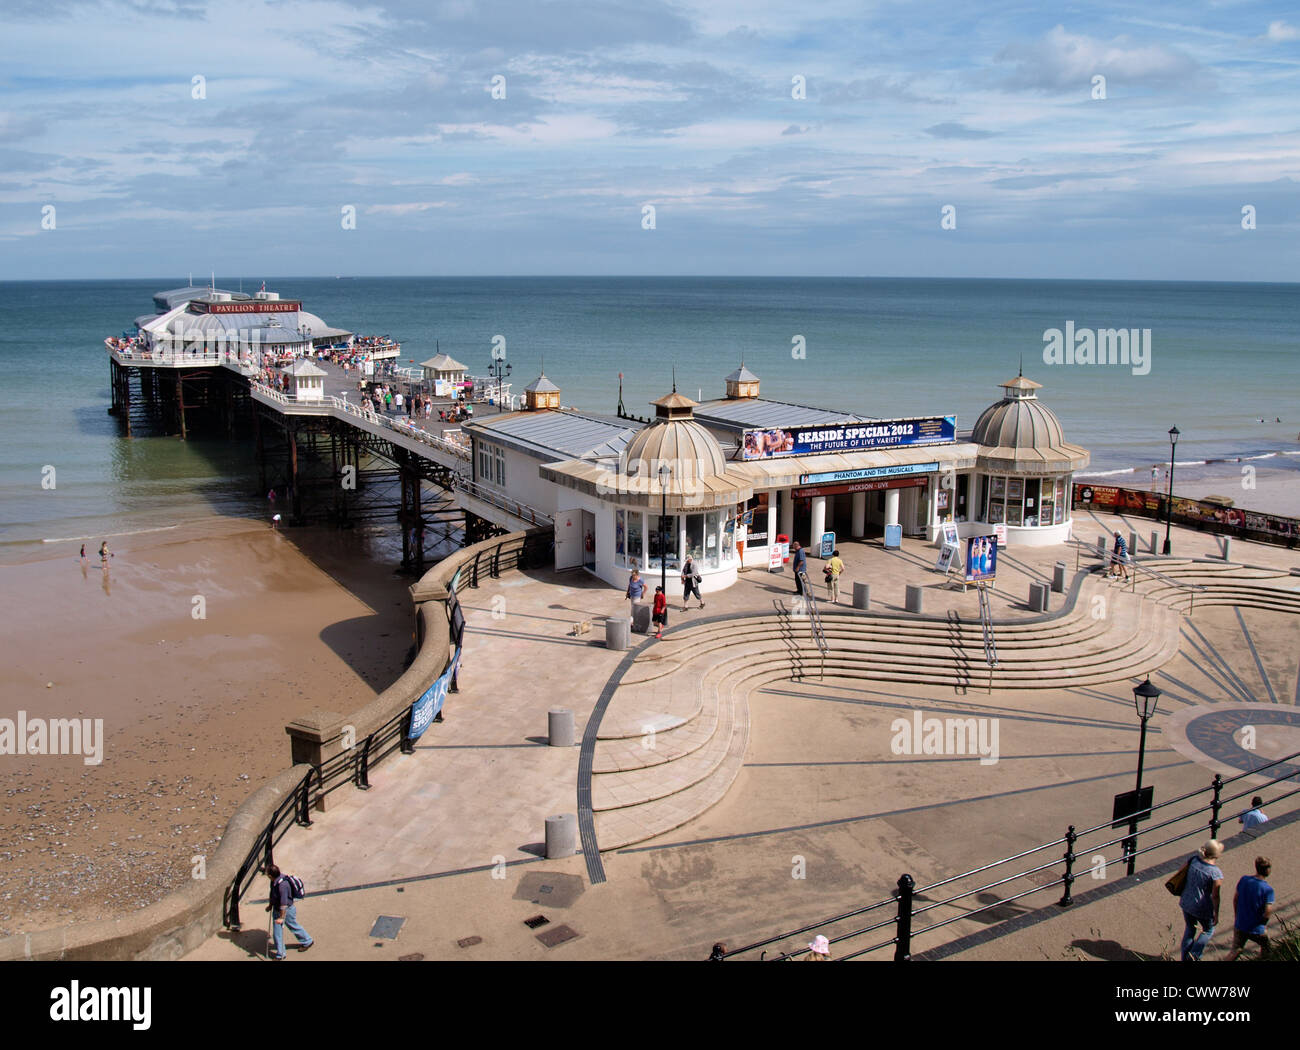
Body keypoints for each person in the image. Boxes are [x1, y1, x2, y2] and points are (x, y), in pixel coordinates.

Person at [1178, 840, 1224, 961]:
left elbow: (1180, 872)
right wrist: (1216, 913)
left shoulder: (1193, 860)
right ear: (1216, 854)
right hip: (1202, 907)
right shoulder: (1215, 873)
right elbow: (1215, 896)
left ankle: (1185, 957)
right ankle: (1193, 955)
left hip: (1186, 901)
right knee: (1208, 930)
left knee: (1190, 928)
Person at [1224, 856, 1274, 961]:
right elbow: (1268, 911)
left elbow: (1235, 899)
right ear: (1267, 870)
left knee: (1236, 950)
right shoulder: (1267, 889)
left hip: (1240, 924)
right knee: (1267, 949)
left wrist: (1237, 916)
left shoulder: (1244, 880)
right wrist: (1263, 924)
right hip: (1255, 928)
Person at [266, 864, 313, 959]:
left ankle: (307, 941)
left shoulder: (283, 885)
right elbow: (272, 894)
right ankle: (281, 953)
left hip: (285, 911)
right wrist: (270, 905)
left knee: (292, 926)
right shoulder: (274, 881)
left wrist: (281, 918)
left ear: (271, 876)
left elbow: (284, 903)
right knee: (277, 933)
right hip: (277, 909)